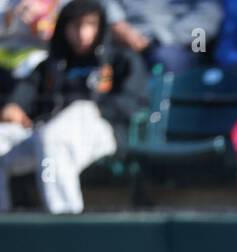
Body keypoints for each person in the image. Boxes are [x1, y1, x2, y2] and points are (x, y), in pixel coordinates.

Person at [0, 0, 149, 213]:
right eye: (75, 25)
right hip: (46, 130)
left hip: (98, 128)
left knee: (60, 131)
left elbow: (133, 101)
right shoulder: (53, 64)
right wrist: (14, 105)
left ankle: (65, 220)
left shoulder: (120, 59)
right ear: (64, 28)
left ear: (101, 27)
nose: (82, 33)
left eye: (90, 25)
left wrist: (96, 109)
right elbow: (27, 90)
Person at [103, 0, 224, 75]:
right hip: (120, 36)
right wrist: (116, 22)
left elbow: (208, 17)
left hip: (178, 42)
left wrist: (162, 38)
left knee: (170, 58)